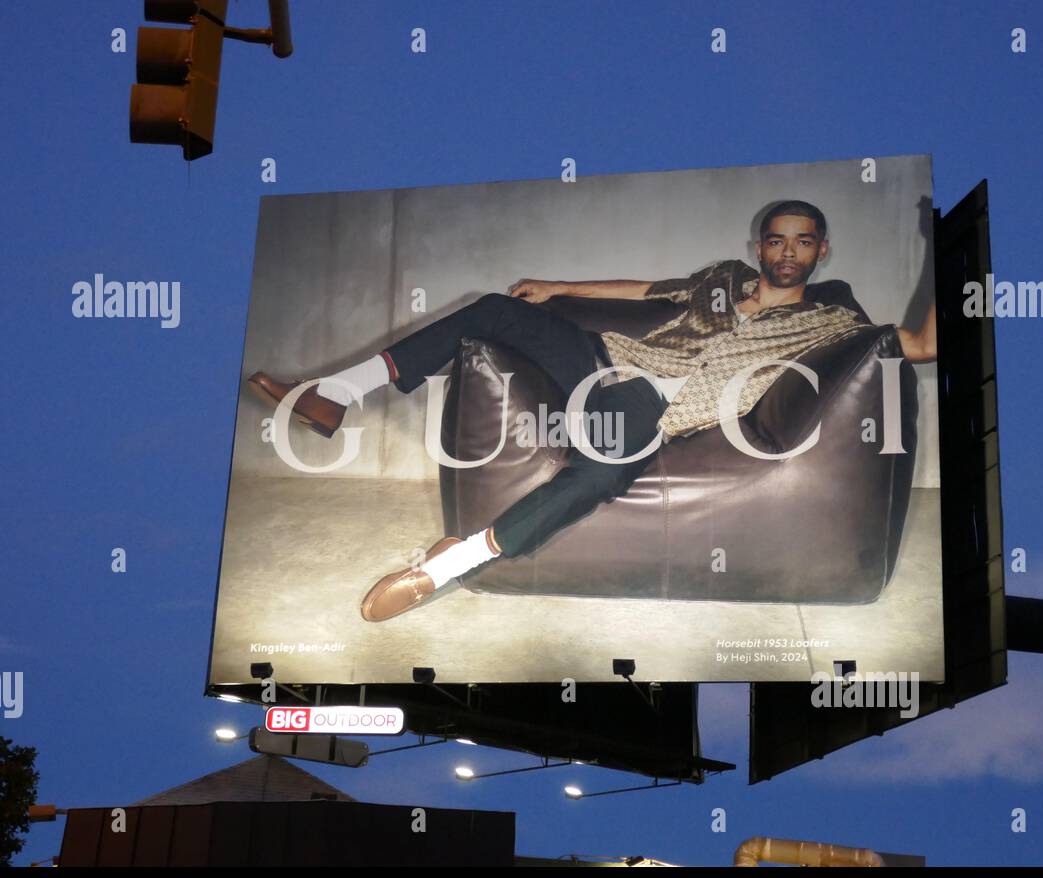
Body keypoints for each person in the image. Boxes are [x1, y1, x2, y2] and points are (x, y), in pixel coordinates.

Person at [246, 200, 937, 622]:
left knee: (603, 473)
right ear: (761, 246)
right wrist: (558, 285)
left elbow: (925, 345)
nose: (790, 252)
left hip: (656, 405)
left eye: (805, 241)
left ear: (822, 250)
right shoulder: (723, 279)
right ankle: (335, 395)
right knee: (493, 308)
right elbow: (646, 290)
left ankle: (446, 568)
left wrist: (948, 248)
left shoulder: (832, 315)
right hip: (608, 362)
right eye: (778, 240)